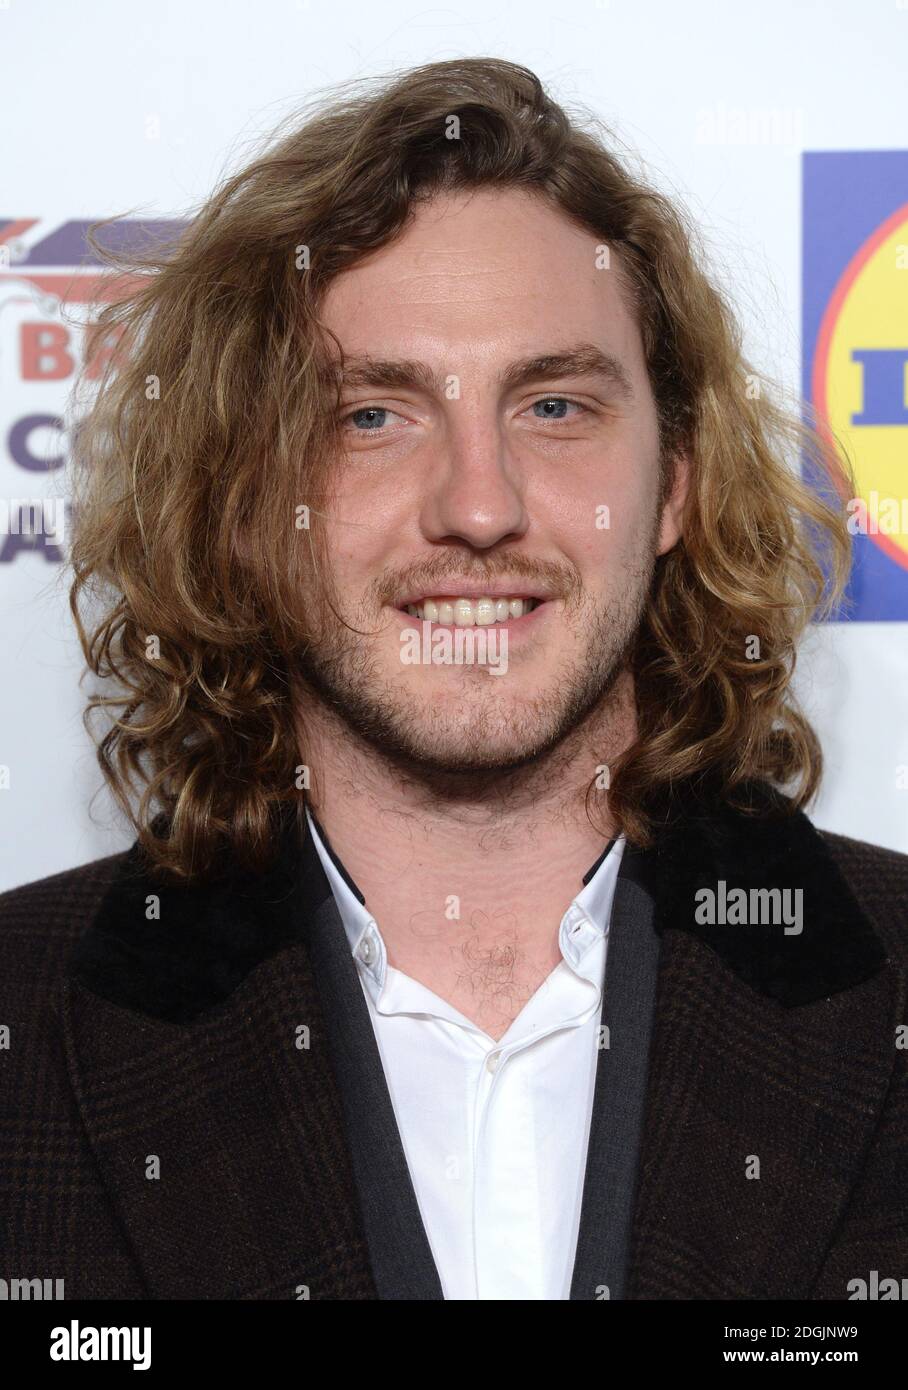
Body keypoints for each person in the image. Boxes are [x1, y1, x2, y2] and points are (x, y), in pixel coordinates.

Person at [1, 57, 905, 1301]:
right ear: (246, 501)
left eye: (552, 405)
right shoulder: (25, 1022)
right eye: (372, 416)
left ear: (674, 485)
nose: (477, 505)